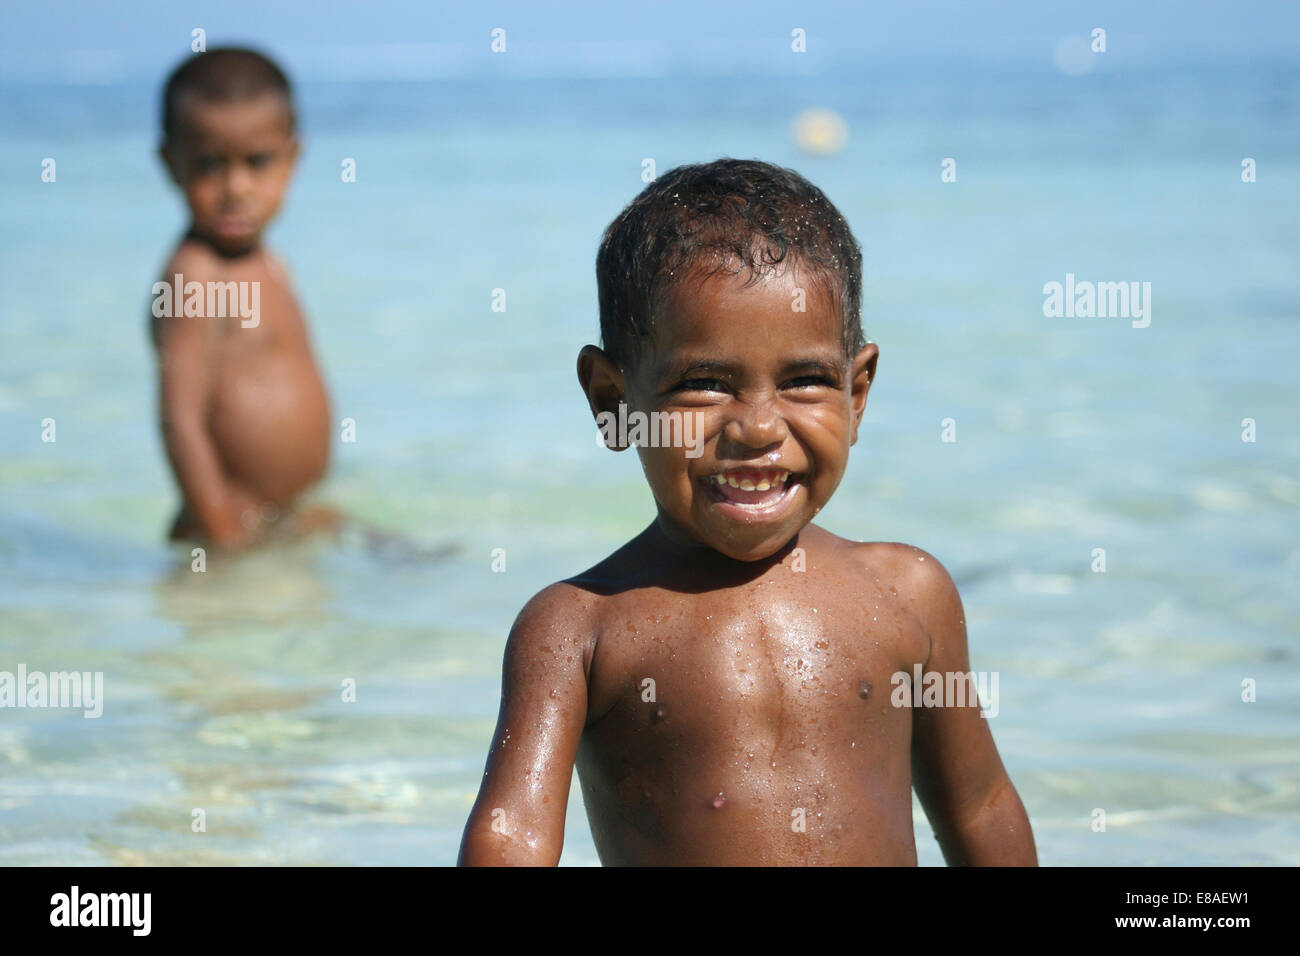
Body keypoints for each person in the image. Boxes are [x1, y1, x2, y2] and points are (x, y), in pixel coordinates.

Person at [459, 158, 1036, 866]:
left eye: (805, 380)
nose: (759, 427)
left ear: (857, 395)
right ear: (613, 404)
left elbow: (981, 809)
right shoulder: (580, 627)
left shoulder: (909, 594)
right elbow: (511, 836)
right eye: (703, 384)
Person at [150, 48, 332, 549]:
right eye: (209, 165)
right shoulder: (194, 275)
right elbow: (178, 421)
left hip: (282, 518)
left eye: (257, 162)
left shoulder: (267, 262)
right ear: (170, 164)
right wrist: (224, 540)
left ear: (292, 159)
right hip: (226, 529)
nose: (235, 187)